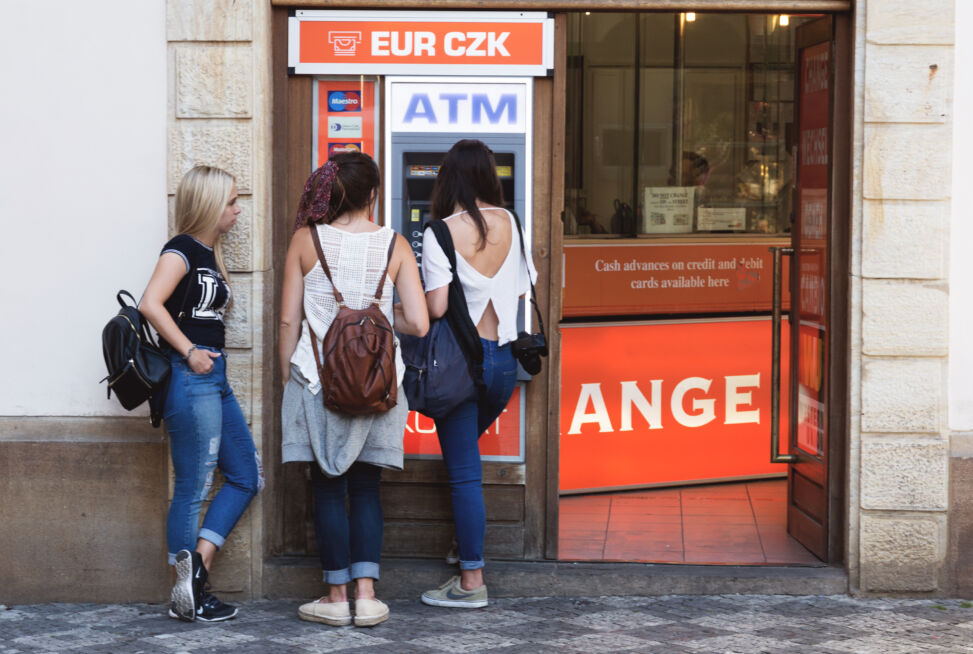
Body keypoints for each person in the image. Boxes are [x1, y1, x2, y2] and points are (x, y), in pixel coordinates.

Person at [278, 152, 428, 628]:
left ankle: (335, 596)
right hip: (381, 384)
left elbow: (288, 318)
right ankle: (367, 597)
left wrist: (288, 377)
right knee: (367, 488)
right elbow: (419, 323)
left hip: (320, 381)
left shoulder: (305, 240)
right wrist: (383, 315)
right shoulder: (396, 244)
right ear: (373, 195)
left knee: (327, 487)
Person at [419, 140, 537, 609]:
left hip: (461, 367)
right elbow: (524, 287)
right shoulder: (512, 223)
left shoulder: (440, 232)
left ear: (448, 177)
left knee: (465, 475)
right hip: (503, 364)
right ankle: (463, 549)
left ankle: (471, 581)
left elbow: (436, 307)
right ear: (490, 175)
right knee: (465, 464)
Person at [140, 165, 260, 623]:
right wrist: (190, 351)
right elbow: (151, 303)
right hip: (192, 376)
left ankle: (196, 575)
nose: (237, 209)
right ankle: (185, 589)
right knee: (192, 488)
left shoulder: (210, 252)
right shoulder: (182, 249)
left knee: (246, 475)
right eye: (231, 201)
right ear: (209, 204)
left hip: (215, 377)